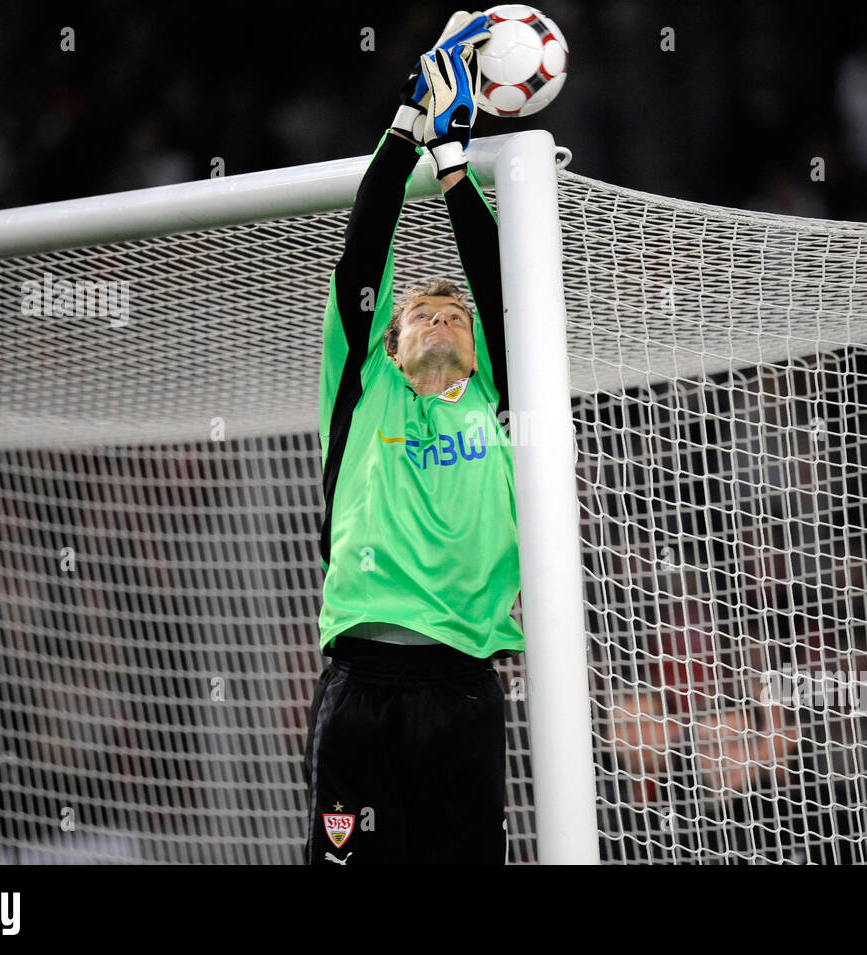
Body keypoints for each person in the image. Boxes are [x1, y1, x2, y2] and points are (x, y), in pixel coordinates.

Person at [302, 12, 521, 865]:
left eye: (452, 314)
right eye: (418, 313)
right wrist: (406, 134)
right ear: (388, 345)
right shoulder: (363, 393)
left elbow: (499, 288)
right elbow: (363, 260)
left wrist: (457, 167)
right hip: (360, 685)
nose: (436, 317)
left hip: (463, 687)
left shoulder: (500, 399)